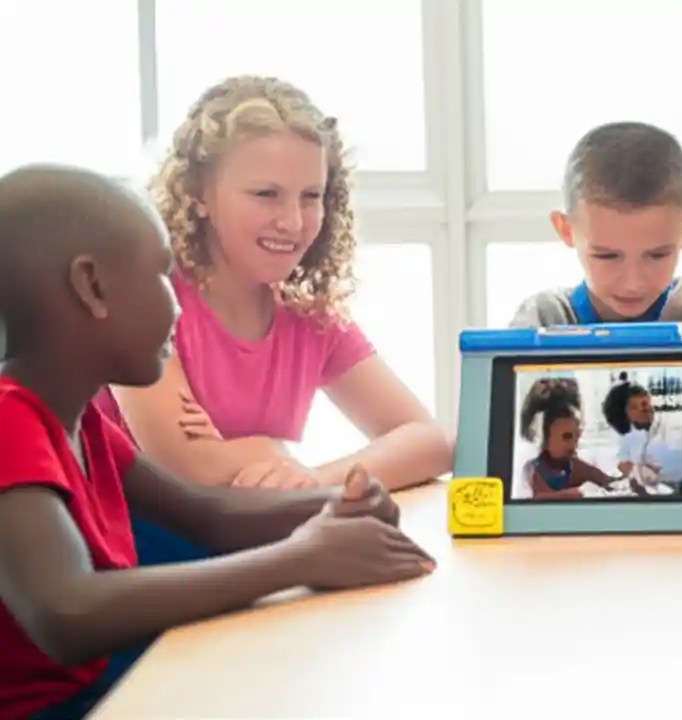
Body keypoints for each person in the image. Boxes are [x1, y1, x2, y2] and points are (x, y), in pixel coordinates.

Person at [0, 164, 433, 719]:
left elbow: (211, 515)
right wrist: (300, 559)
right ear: (92, 286)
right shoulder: (10, 422)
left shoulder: (80, 423)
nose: (177, 306)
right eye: (161, 276)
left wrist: (339, 504)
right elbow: (65, 612)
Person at [97, 76, 453, 491]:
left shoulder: (308, 315)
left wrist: (311, 478)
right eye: (266, 194)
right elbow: (189, 469)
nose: (294, 222)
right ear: (198, 193)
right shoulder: (146, 301)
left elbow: (432, 441)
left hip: (246, 543)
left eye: (311, 195)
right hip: (135, 549)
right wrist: (272, 450)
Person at [509, 121, 682, 327]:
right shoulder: (544, 318)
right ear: (566, 230)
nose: (633, 283)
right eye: (607, 256)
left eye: (657, 255)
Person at [513, 379, 623, 499]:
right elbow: (540, 497)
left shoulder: (574, 466)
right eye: (566, 437)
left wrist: (627, 478)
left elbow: (608, 482)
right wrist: (579, 492)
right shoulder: (533, 470)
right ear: (542, 436)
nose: (574, 444)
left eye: (577, 436)